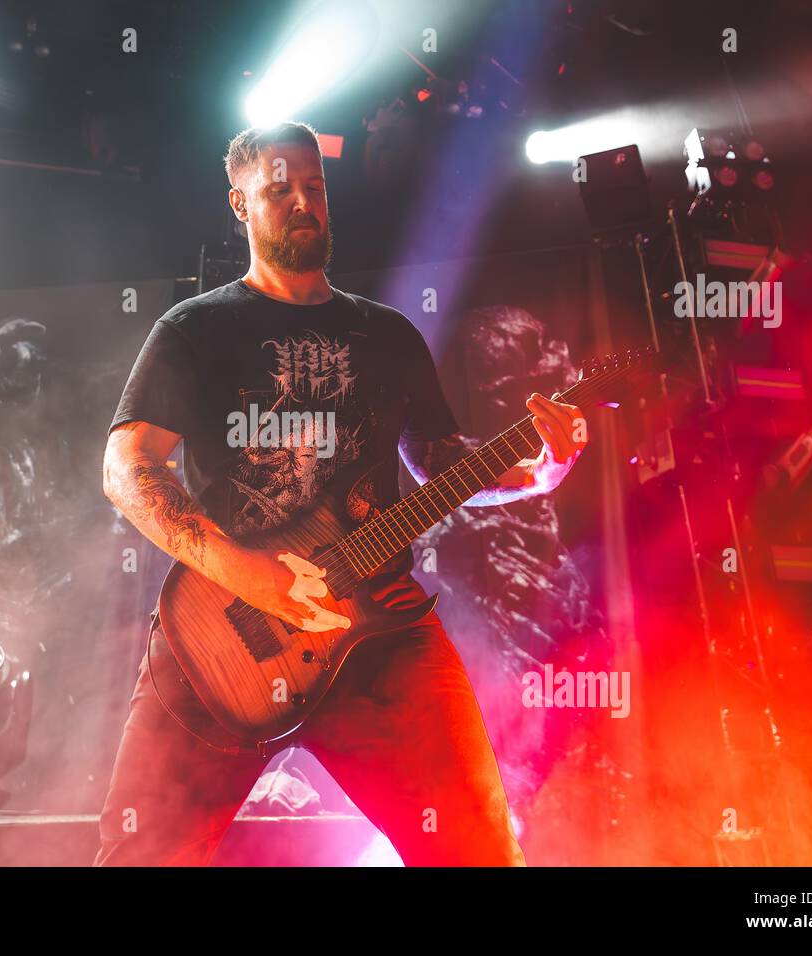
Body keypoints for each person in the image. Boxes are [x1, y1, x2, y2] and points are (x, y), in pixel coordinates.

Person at [95, 122, 587, 866]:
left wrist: (538, 470)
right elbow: (127, 468)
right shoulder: (194, 330)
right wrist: (251, 575)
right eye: (279, 189)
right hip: (223, 634)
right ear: (240, 204)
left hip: (381, 632)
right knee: (143, 853)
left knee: (478, 849)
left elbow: (439, 464)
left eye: (315, 189)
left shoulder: (387, 335)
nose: (303, 203)